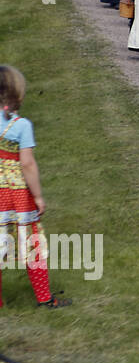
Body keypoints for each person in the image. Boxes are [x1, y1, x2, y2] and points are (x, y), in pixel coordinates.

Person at [0, 66, 69, 309]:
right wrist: (38, 197)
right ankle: (44, 298)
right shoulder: (21, 126)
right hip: (16, 195)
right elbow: (27, 164)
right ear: (17, 96)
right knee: (32, 244)